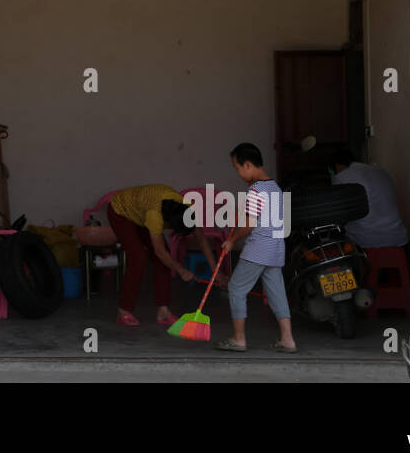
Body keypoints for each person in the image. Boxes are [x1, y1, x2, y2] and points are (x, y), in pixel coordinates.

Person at [215, 143, 296, 352]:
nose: (239, 173)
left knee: (236, 288)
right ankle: (287, 339)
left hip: (258, 249)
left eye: (238, 168)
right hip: (276, 248)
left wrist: (232, 240)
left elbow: (250, 225)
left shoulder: (256, 190)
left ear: (248, 165)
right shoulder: (275, 188)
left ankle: (238, 338)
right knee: (277, 292)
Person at [106, 184, 226, 327]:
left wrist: (216, 271)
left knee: (162, 260)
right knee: (138, 258)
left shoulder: (185, 208)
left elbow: (202, 240)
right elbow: (159, 251)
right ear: (169, 224)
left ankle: (163, 312)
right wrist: (181, 270)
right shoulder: (155, 216)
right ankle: (123, 311)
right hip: (120, 212)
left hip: (140, 211)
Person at [327, 147, 409, 248]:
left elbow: (338, 214)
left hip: (368, 242)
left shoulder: (340, 178)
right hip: (399, 238)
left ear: (336, 165)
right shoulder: (379, 170)